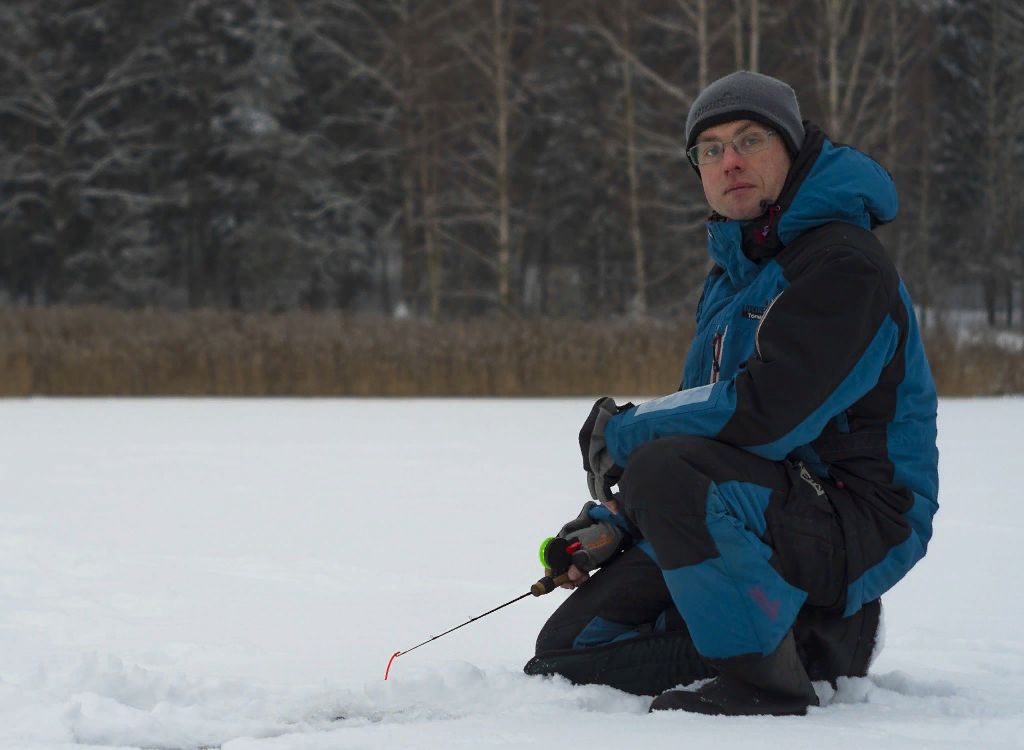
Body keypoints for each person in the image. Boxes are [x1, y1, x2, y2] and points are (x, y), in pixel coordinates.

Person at [524, 71, 939, 716]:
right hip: (756, 505)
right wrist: (610, 525)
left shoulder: (843, 266)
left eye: (750, 139)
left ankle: (769, 680)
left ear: (793, 151)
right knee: (567, 652)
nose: (731, 161)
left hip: (855, 520)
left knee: (664, 468)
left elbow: (762, 416)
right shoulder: (733, 280)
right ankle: (793, 637)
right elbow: (705, 428)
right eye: (710, 150)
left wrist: (624, 432)